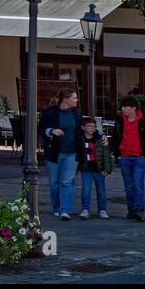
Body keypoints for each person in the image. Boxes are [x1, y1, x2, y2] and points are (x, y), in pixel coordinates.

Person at [38, 88, 84, 220]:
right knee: (55, 183)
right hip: (54, 153)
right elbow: (40, 128)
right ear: (66, 99)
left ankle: (66, 211)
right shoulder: (50, 112)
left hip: (72, 153)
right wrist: (51, 131)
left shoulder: (76, 112)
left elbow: (83, 128)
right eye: (74, 98)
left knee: (66, 181)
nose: (77, 100)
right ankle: (57, 208)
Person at [114, 96, 145, 221]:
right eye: (122, 106)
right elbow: (115, 138)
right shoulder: (120, 121)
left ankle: (139, 210)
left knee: (138, 184)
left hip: (139, 157)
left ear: (133, 108)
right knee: (128, 185)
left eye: (125, 106)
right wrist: (118, 154)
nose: (123, 109)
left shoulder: (144, 121)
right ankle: (131, 209)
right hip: (124, 156)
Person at [78, 117, 113, 219]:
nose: (92, 128)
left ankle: (102, 209)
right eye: (89, 126)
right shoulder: (80, 139)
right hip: (86, 169)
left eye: (94, 126)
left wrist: (107, 169)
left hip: (99, 169)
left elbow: (106, 155)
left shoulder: (100, 139)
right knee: (86, 190)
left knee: (101, 190)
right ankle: (85, 209)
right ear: (83, 127)